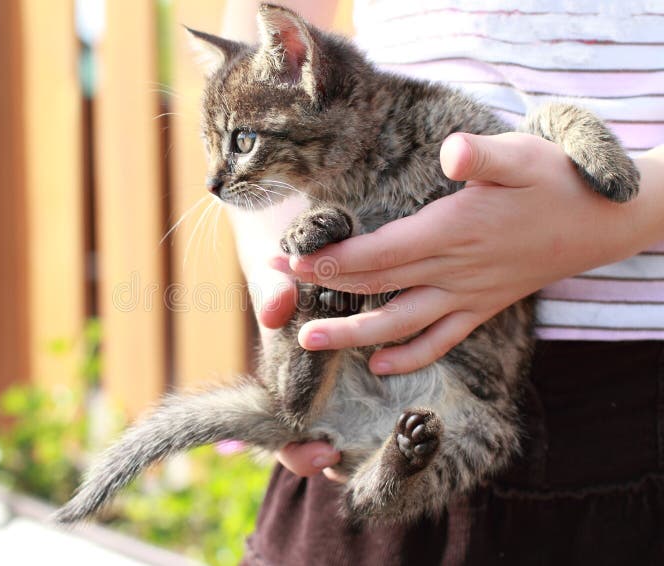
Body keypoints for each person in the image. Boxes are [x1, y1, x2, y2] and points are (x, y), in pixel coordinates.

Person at [220, 1, 664, 564]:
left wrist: (623, 219)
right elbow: (262, 41)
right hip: (376, 364)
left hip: (638, 397)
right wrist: (285, 278)